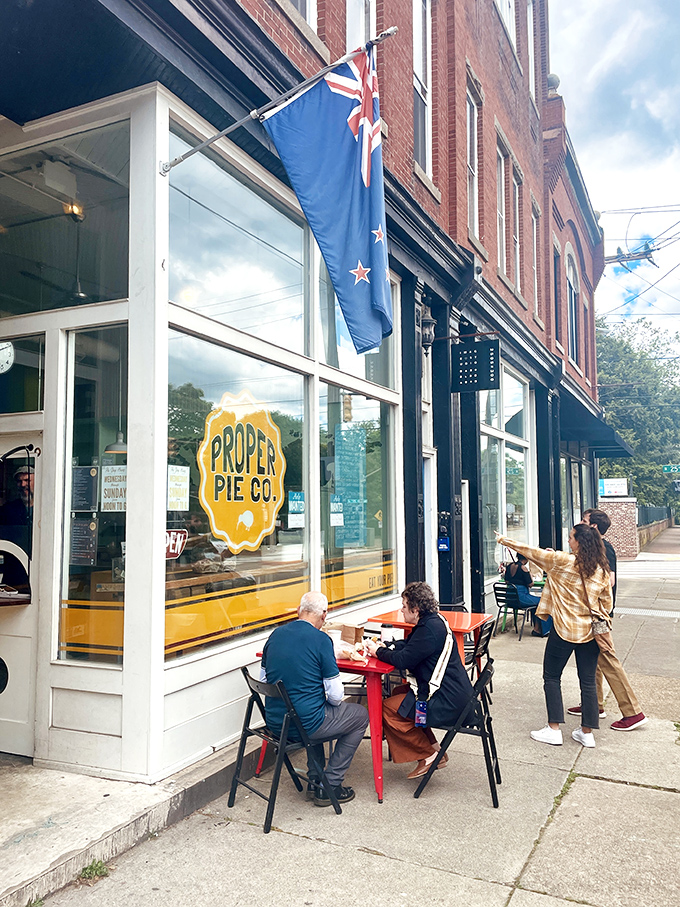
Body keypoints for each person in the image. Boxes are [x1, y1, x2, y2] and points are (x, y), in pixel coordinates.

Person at [496, 524, 614, 748]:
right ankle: (587, 732)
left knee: (551, 677)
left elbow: (531, 552)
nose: (568, 541)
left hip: (564, 629)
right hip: (590, 632)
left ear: (579, 542)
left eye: (571, 537)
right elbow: (606, 603)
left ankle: (553, 729)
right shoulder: (601, 569)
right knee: (588, 681)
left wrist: (504, 540)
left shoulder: (563, 561)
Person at [261, 591, 368, 806]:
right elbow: (337, 696)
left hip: (275, 722)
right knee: (360, 715)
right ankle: (330, 785)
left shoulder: (275, 635)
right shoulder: (321, 640)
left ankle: (315, 780)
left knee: (313, 706)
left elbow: (265, 680)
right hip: (305, 724)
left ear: (299, 611)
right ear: (324, 616)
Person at [365, 582, 475, 779]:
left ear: (415, 610)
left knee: (388, 708)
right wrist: (388, 645)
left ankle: (428, 755)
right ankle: (434, 749)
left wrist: (378, 652)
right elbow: (410, 647)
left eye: (404, 606)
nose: (401, 609)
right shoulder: (433, 622)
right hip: (456, 694)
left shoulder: (428, 630)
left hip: (448, 702)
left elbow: (403, 659)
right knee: (399, 692)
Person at [566, 509, 647, 731]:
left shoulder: (605, 549)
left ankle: (633, 712)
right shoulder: (594, 549)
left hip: (599, 617)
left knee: (608, 660)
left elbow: (608, 581)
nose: (580, 524)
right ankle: (595, 704)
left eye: (584, 521)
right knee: (594, 661)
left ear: (593, 527)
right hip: (593, 615)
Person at [502, 553, 551, 637]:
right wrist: (530, 575)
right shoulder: (523, 568)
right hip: (521, 597)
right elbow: (530, 584)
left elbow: (506, 581)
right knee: (543, 602)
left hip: (510, 599)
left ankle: (537, 627)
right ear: (526, 558)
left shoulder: (509, 566)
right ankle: (542, 629)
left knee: (535, 604)